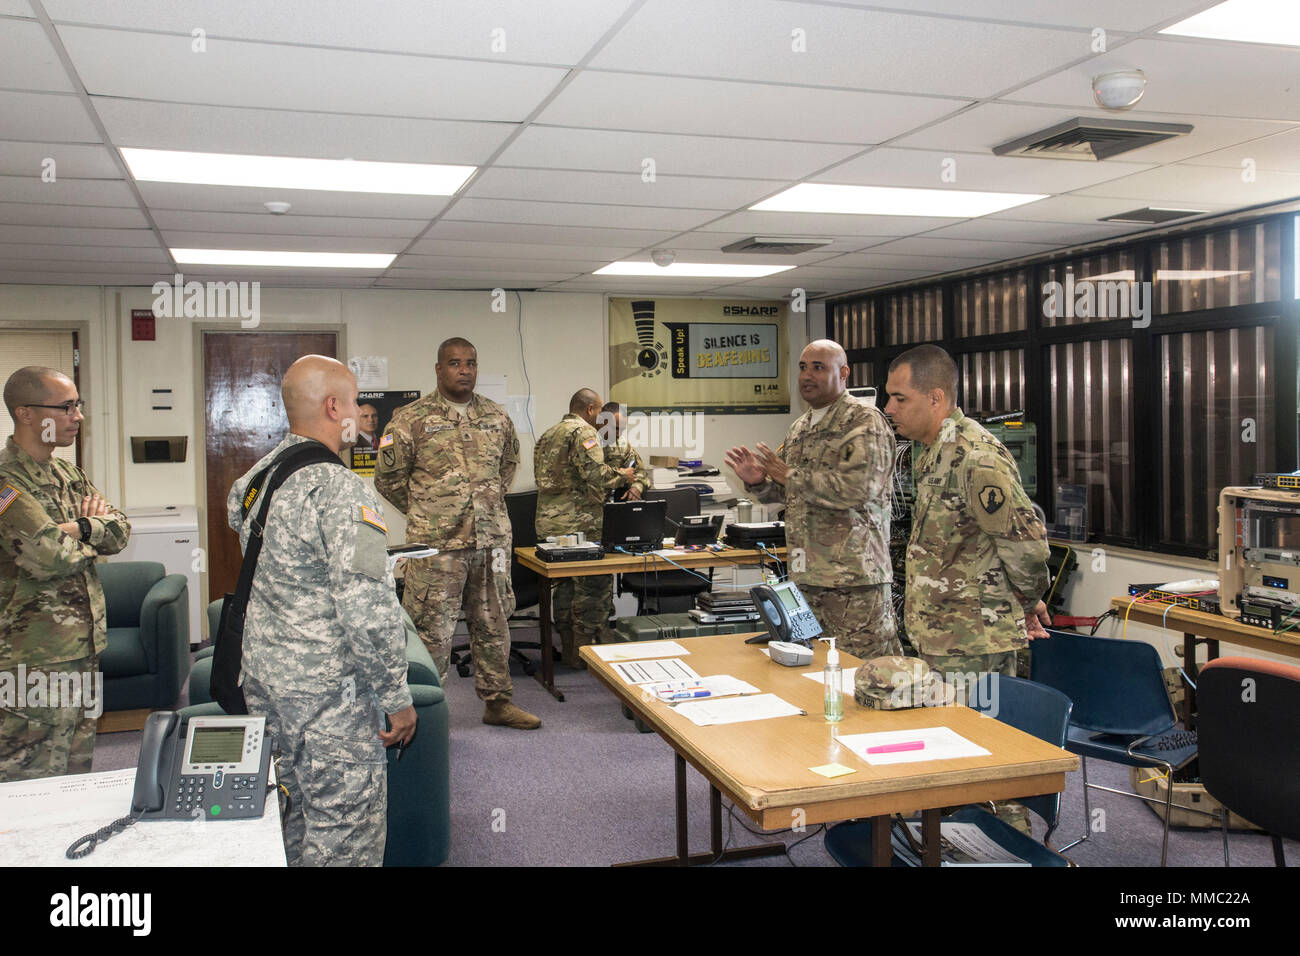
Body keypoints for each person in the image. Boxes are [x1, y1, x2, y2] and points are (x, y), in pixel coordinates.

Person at [228, 355, 416, 866]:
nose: (360, 411)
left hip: (265, 680)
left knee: (290, 805)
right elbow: (367, 607)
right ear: (335, 407)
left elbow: (234, 511)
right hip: (328, 694)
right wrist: (397, 697)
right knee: (344, 829)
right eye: (356, 402)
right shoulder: (342, 489)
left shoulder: (261, 475)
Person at [375, 337, 540, 730]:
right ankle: (427, 713)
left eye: (470, 363)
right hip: (437, 547)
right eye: (455, 363)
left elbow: (508, 466)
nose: (464, 369)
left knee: (494, 623)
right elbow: (389, 479)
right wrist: (431, 511)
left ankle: (498, 702)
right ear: (438, 369)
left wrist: (483, 505)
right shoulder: (410, 419)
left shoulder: (496, 417)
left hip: (491, 542)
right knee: (431, 630)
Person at [881, 343, 1051, 691]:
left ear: (935, 398)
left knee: (980, 741)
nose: (889, 408)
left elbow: (1026, 547)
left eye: (900, 398)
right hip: (941, 638)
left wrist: (1028, 600)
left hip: (976, 645)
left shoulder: (975, 457)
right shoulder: (932, 452)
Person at [725, 340, 900, 661]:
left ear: (844, 373)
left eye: (818, 367)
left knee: (861, 670)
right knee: (811, 670)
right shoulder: (801, 427)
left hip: (852, 581)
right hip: (807, 577)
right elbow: (789, 496)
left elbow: (858, 491)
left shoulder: (863, 421)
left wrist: (788, 475)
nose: (807, 375)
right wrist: (759, 482)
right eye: (803, 367)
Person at [0, 367, 130, 783]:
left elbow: (120, 529)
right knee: (30, 776)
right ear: (25, 413)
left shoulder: (68, 474)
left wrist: (80, 528)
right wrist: (86, 532)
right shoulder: (6, 483)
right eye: (66, 407)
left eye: (78, 406)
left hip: (82, 648)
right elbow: (47, 556)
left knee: (77, 772)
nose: (78, 416)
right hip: (33, 659)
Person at [535, 389, 637, 667]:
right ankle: (583, 655)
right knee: (593, 589)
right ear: (591, 409)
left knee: (565, 587)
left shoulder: (547, 435)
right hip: (580, 525)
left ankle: (569, 650)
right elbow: (596, 476)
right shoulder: (584, 433)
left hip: (550, 526)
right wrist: (624, 476)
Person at [599, 401, 646, 502]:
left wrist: (636, 487)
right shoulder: (586, 440)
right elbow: (592, 475)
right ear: (603, 421)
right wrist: (622, 475)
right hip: (584, 509)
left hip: (612, 505)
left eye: (622, 429)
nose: (618, 434)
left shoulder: (622, 445)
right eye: (615, 428)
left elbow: (640, 471)